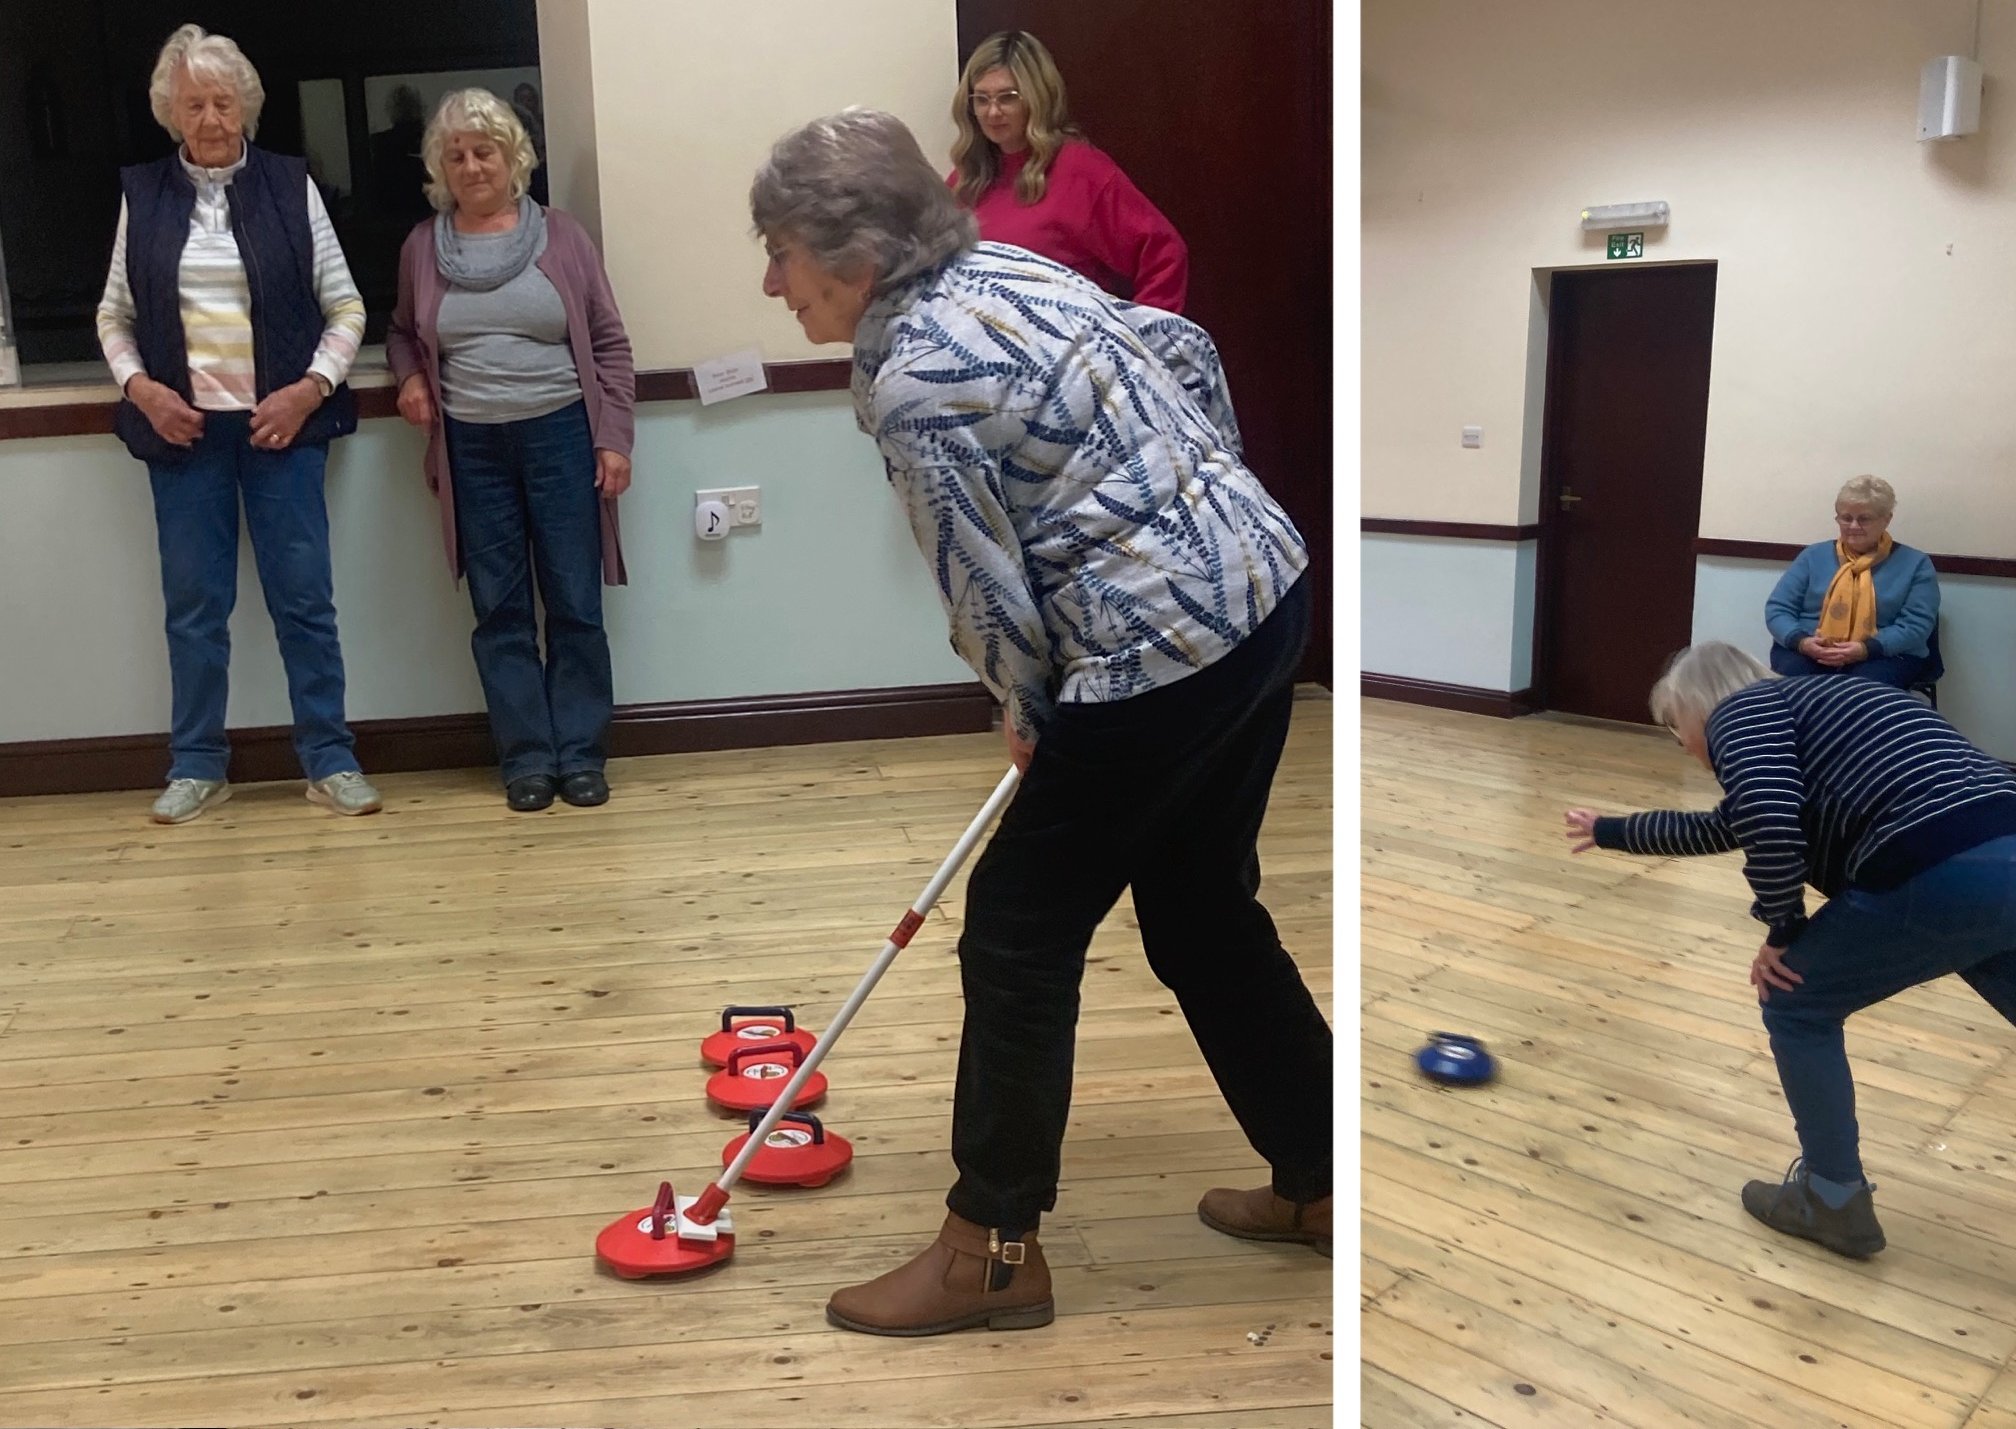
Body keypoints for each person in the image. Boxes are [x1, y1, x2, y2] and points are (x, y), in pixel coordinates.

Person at [750, 109, 1329, 1336]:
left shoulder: (911, 378)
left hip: (1159, 653)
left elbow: (979, 577)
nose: (770, 281)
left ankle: (993, 1251)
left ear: (851, 257)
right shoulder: (1004, 261)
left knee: (1016, 931)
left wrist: (1025, 707)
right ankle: (1329, 1177)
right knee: (1204, 909)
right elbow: (1182, 345)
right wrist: (1199, 507)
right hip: (1261, 586)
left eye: (781, 252)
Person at [1565, 642, 2016, 1259]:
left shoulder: (1743, 712)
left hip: (1938, 861)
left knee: (1795, 997)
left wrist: (1783, 931)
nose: (1684, 747)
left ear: (1702, 706)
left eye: (1677, 727)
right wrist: (1611, 831)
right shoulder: (1825, 707)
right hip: (2001, 841)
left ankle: (1831, 1198)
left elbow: (1769, 821)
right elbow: (1727, 825)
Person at [96, 23, 381, 825]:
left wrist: (307, 390)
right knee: (194, 607)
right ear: (170, 113)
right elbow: (113, 315)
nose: (211, 119)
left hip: (278, 432)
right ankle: (197, 765)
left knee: (305, 601)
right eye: (194, 104)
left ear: (246, 105)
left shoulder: (292, 186)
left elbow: (348, 306)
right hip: (184, 437)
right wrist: (143, 389)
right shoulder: (142, 193)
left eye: (224, 101)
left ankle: (330, 759)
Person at [387, 89, 635, 813]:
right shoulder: (421, 248)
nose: (471, 165)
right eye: (455, 154)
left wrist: (613, 437)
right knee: (498, 609)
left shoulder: (563, 238)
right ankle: (526, 757)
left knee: (574, 601)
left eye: (484, 150)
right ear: (440, 167)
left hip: (561, 433)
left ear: (513, 157)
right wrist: (407, 378)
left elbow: (611, 344)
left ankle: (581, 755)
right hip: (472, 445)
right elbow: (403, 330)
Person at [949, 30, 1188, 312]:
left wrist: (1141, 342)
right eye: (982, 99)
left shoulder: (1080, 170)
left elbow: (1165, 253)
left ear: (1036, 99)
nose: (992, 112)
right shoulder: (965, 179)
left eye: (1007, 97)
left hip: (1063, 348)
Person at [1764, 475, 1939, 688]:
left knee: (1858, 696)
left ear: (1886, 519)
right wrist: (1801, 642)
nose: (1853, 526)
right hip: (1809, 649)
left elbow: (1916, 625)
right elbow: (1778, 609)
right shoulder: (1813, 556)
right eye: (1846, 518)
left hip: (1884, 654)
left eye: (1864, 518)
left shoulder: (1916, 564)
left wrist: (1866, 649)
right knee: (1797, 690)